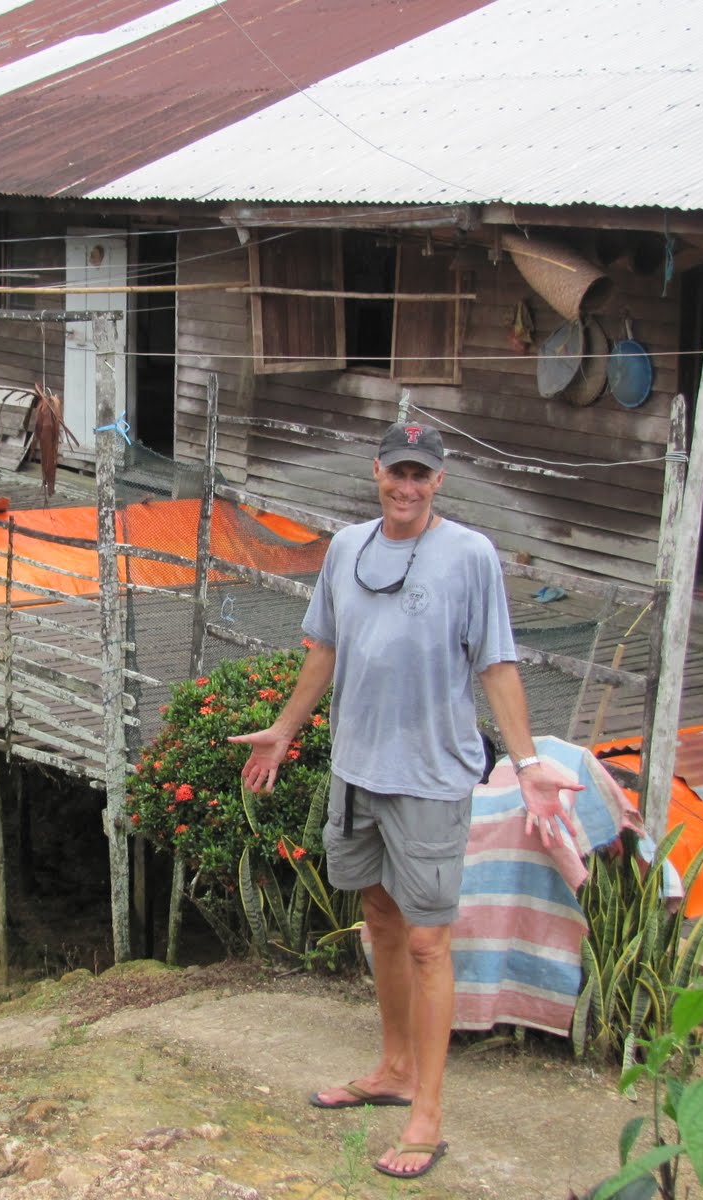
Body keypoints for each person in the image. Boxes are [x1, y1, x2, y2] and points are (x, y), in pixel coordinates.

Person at [230, 420, 581, 1182]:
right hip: (356, 771)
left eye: (422, 475)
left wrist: (527, 762)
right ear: (376, 470)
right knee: (381, 920)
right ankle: (392, 1069)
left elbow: (496, 663)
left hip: (429, 777)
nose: (407, 486)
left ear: (440, 482)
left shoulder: (470, 556)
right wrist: (287, 730)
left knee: (428, 941)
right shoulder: (348, 548)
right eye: (398, 472)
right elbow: (323, 647)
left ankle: (428, 1111)